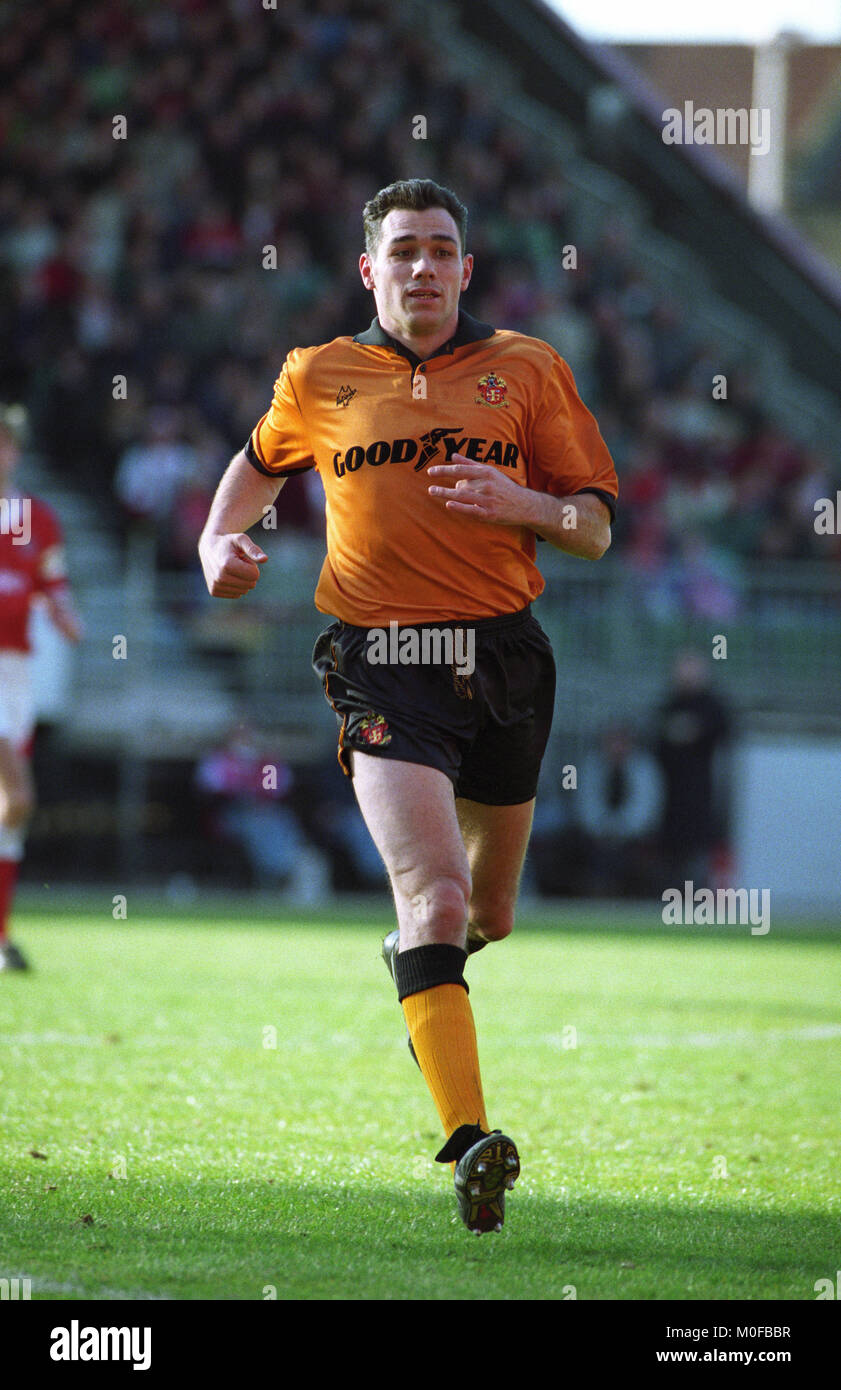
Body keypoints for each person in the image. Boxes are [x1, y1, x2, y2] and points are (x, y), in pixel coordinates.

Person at [198, 179, 618, 1234]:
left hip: (505, 659)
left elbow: (594, 529)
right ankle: (474, 1142)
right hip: (379, 660)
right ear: (368, 269)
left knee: (486, 915)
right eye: (404, 250)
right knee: (430, 898)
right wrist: (218, 544)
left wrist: (525, 504)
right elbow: (250, 475)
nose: (423, 267)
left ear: (466, 270)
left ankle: (419, 968)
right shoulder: (319, 375)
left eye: (441, 250)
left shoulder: (527, 368)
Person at [0, 407, 82, 971]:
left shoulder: (36, 519)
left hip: (18, 674)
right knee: (18, 797)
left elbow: (54, 587)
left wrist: (66, 617)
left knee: (9, 815)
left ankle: (2, 938)